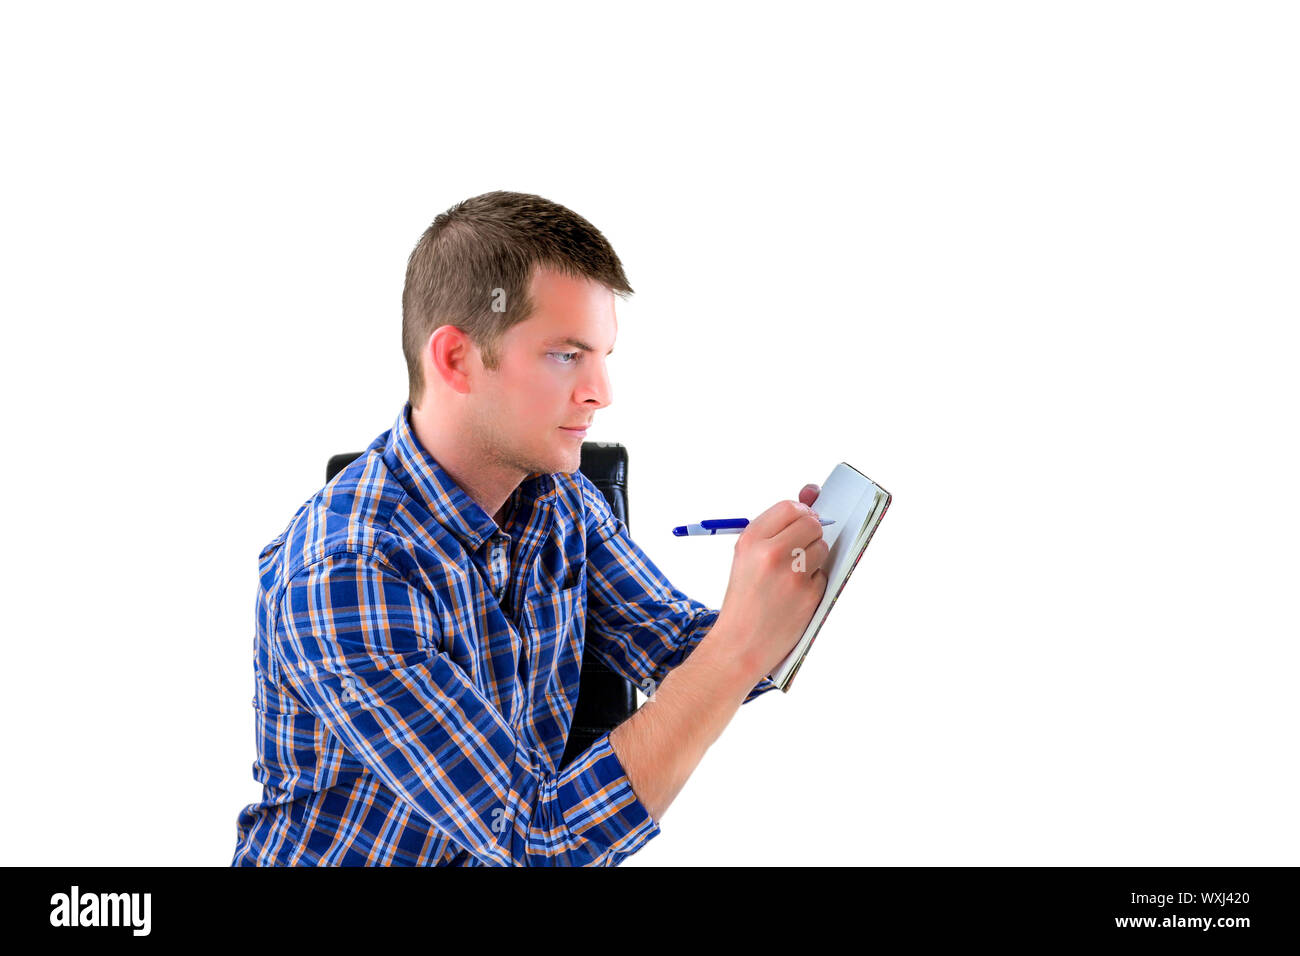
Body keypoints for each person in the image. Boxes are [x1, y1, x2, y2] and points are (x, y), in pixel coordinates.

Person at [230, 191, 829, 866]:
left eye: (602, 355)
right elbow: (535, 841)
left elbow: (678, 651)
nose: (602, 391)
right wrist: (739, 647)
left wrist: (807, 574)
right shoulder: (344, 572)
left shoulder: (556, 498)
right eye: (567, 355)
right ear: (456, 359)